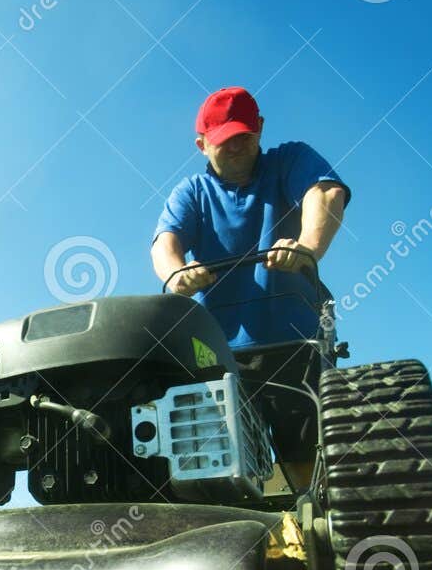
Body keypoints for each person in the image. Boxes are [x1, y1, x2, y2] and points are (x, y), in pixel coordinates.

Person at [149, 86, 350, 490]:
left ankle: (317, 527)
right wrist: (176, 274)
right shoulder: (192, 193)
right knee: (221, 468)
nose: (237, 146)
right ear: (202, 143)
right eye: (225, 140)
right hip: (218, 358)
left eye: (245, 135)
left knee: (304, 461)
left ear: (259, 128)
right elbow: (165, 242)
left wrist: (307, 247)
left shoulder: (289, 160)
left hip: (292, 345)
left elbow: (325, 192)